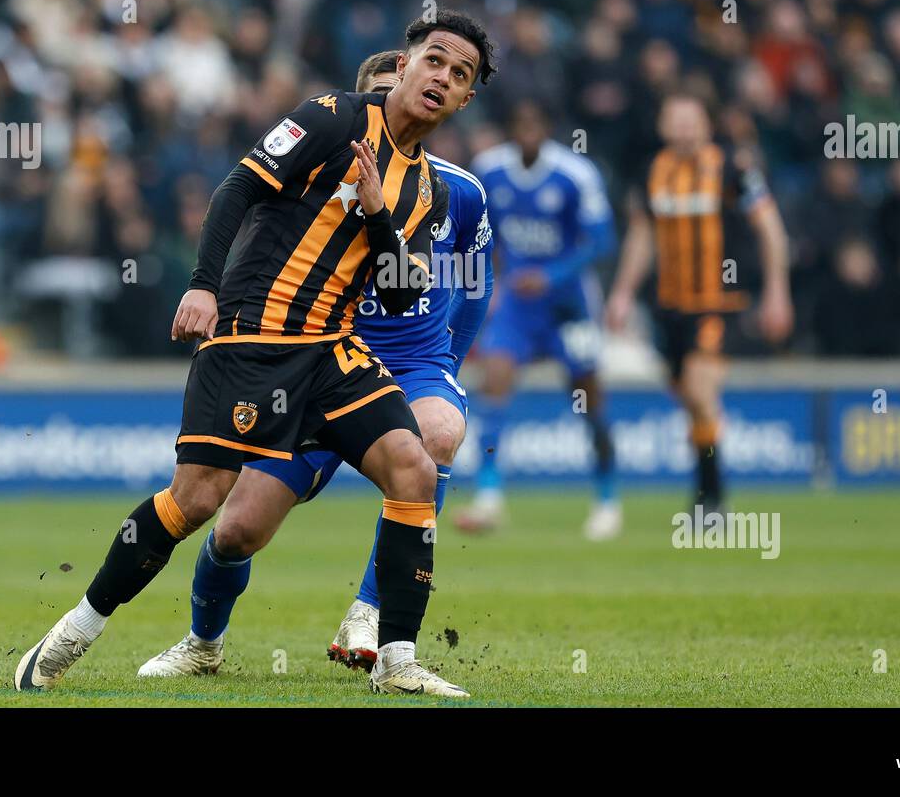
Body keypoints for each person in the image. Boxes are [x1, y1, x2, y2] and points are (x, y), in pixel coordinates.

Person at [14, 11, 495, 698]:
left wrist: (377, 214)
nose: (442, 78)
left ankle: (396, 660)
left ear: (465, 98)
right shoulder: (330, 117)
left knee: (415, 467)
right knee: (202, 504)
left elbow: (394, 296)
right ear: (408, 61)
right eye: (435, 60)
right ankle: (76, 630)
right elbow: (237, 187)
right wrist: (204, 288)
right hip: (255, 338)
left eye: (460, 74)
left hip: (333, 351)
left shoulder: (429, 189)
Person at [138, 48, 493, 678]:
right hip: (315, 357)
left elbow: (475, 286)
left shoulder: (454, 192)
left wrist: (448, 365)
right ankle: (202, 644)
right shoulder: (327, 164)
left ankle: (371, 614)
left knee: (434, 434)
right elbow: (249, 198)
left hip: (412, 362)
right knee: (237, 529)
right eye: (384, 94)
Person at [607, 94, 793, 520]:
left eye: (693, 120)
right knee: (688, 398)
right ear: (663, 126)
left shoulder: (733, 169)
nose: (685, 128)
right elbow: (642, 238)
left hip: (718, 302)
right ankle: (705, 492)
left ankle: (714, 499)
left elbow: (771, 231)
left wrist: (776, 293)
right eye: (677, 120)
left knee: (698, 388)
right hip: (669, 307)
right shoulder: (653, 171)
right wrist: (621, 292)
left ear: (707, 125)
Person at [456, 98, 620, 540]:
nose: (528, 130)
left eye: (536, 122)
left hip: (570, 304)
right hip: (517, 305)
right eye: (520, 122)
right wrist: (482, 282)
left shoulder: (575, 174)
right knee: (495, 379)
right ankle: (489, 496)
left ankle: (607, 499)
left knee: (588, 398)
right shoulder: (489, 169)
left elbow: (602, 240)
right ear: (511, 128)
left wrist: (550, 276)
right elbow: (473, 231)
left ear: (547, 128)